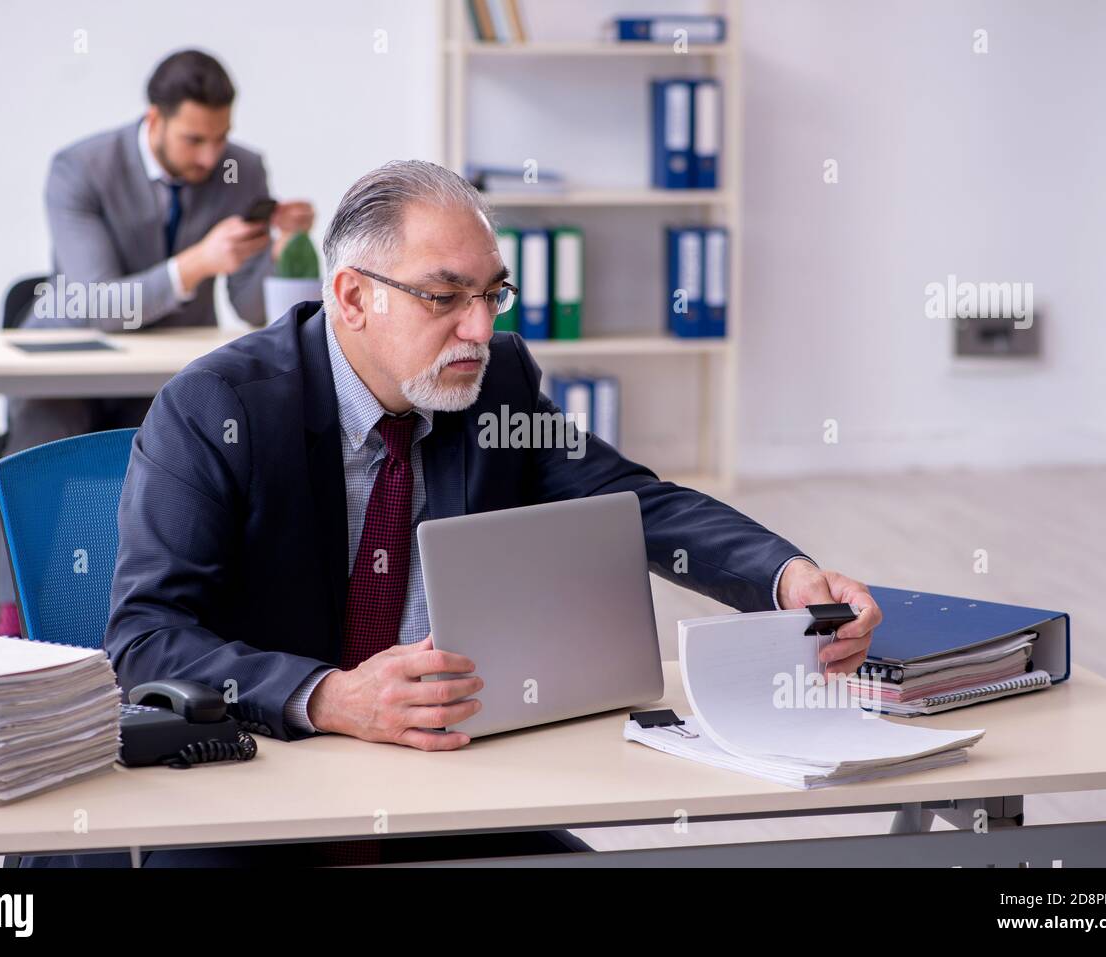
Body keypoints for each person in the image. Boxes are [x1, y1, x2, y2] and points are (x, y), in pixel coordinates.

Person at [97, 159, 881, 867]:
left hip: (453, 771)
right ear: (352, 296)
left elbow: (632, 500)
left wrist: (784, 577)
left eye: (492, 294)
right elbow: (147, 635)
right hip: (263, 786)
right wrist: (332, 696)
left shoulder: (493, 381)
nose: (480, 327)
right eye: (444, 297)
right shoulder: (216, 407)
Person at [0, 49, 315, 636]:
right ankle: (22, 623)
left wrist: (279, 250)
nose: (210, 156)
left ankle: (181, 624)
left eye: (221, 138)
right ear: (154, 120)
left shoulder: (242, 170)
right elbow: (98, 302)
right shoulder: (80, 168)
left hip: (164, 368)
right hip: (72, 353)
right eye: (195, 139)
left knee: (215, 441)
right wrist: (195, 264)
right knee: (49, 430)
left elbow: (250, 309)